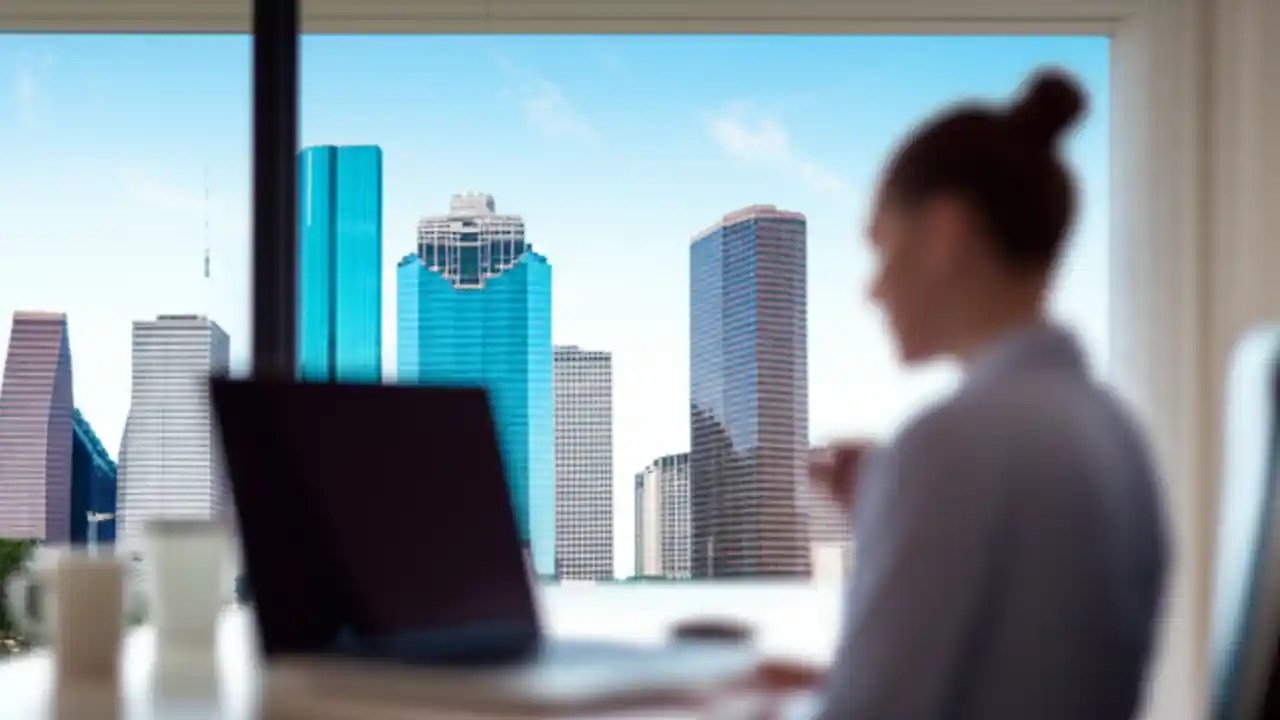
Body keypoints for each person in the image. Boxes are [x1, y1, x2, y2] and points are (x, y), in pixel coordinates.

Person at [797, 69, 1168, 719]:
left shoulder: (952, 443)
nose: (872, 290)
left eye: (883, 250)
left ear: (946, 234)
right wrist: (887, 513)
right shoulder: (1113, 429)